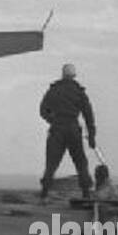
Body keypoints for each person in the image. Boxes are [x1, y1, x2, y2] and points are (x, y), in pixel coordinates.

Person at [38, 63, 96, 198]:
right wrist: (91, 136)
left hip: (57, 128)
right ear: (73, 76)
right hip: (73, 128)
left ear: (63, 74)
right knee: (81, 162)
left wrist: (52, 120)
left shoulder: (53, 90)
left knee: (51, 163)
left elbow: (42, 110)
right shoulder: (79, 91)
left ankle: (44, 194)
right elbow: (88, 114)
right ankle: (86, 194)